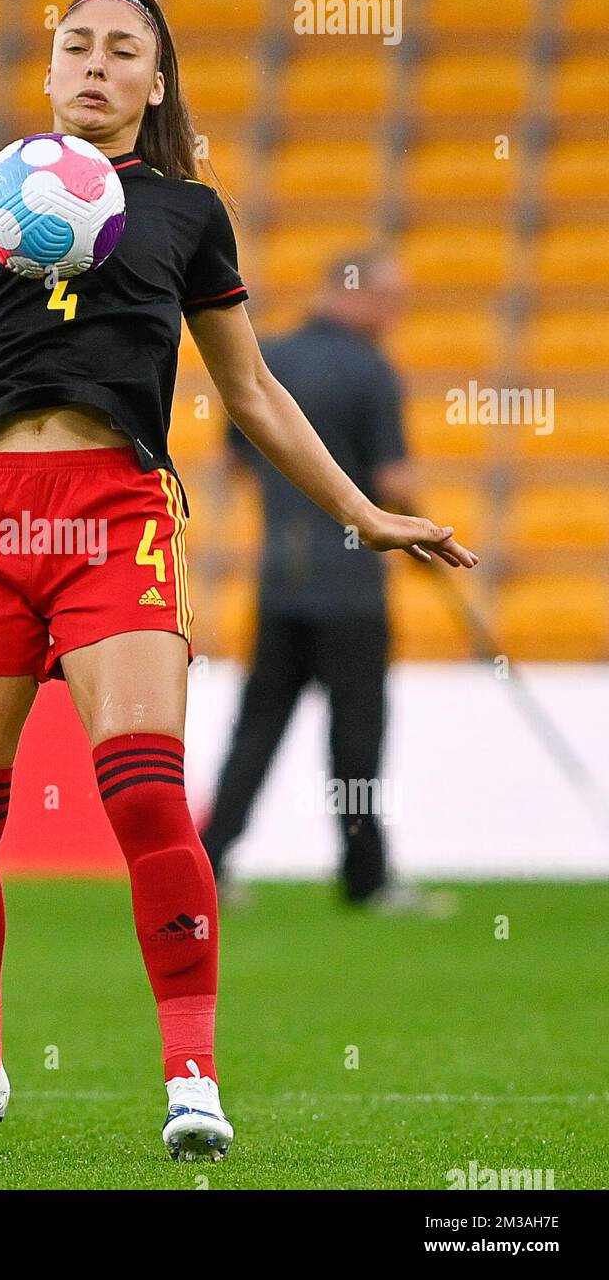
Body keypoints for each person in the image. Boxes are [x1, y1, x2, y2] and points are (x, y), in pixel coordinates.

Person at [0, 0, 477, 1164]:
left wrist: (360, 509)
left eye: (124, 51)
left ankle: (192, 1077)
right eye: (76, 44)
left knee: (140, 790)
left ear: (154, 84)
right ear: (47, 68)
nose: (96, 65)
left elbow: (253, 392)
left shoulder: (184, 213)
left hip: (113, 515)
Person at [200, 253, 451, 914]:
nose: (397, 316)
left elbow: (234, 460)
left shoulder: (267, 359)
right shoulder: (371, 370)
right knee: (357, 740)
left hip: (282, 578)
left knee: (255, 732)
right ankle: (365, 878)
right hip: (350, 589)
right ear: (358, 292)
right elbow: (392, 483)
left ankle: (209, 866)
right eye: (392, 298)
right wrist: (424, 539)